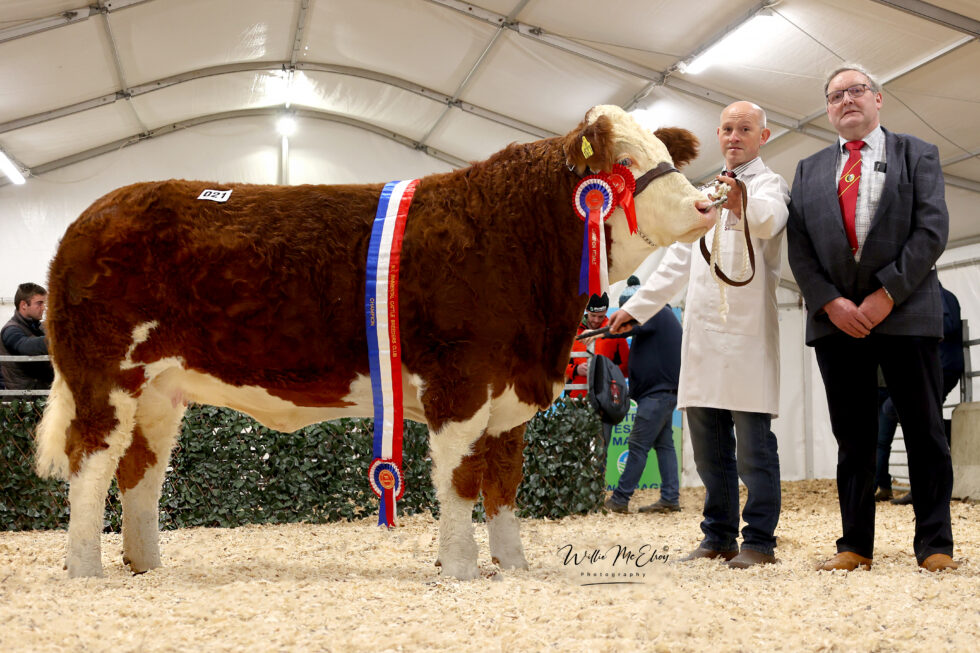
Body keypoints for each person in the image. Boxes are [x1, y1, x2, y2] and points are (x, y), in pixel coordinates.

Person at [786, 64, 957, 572]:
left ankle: (935, 544)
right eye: (836, 95)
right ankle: (855, 544)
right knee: (854, 437)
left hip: (906, 311)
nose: (847, 100)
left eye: (857, 90)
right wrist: (830, 302)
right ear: (828, 110)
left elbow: (932, 230)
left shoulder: (917, 153)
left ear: (878, 100)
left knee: (924, 429)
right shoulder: (809, 169)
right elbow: (800, 247)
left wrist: (887, 293)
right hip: (838, 321)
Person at [608, 101, 789, 569]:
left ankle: (760, 542)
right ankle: (719, 536)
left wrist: (740, 199)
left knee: (753, 448)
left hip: (747, 336)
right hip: (704, 339)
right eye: (728, 128)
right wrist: (635, 310)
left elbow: (769, 218)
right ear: (718, 133)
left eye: (745, 128)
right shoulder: (704, 190)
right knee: (709, 450)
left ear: (762, 137)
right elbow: (676, 263)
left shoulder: (769, 185)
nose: (734, 136)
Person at [878, 283, 964, 505]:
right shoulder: (945, 295)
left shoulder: (934, 294)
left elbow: (947, 324)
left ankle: (951, 431)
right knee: (918, 421)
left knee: (904, 415)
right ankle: (948, 431)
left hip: (938, 366)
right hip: (941, 366)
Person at [603, 282, 682, 515]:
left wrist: (597, 332)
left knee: (637, 445)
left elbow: (624, 328)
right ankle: (669, 498)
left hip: (657, 396)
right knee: (665, 445)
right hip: (664, 394)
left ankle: (619, 499)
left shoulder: (655, 312)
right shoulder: (663, 315)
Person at [1, 282, 54, 391]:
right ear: (23, 305)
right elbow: (25, 346)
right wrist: (58, 341)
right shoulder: (11, 330)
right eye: (39, 303)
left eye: (44, 303)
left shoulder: (38, 327)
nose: (43, 308)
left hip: (38, 398)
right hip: (20, 402)